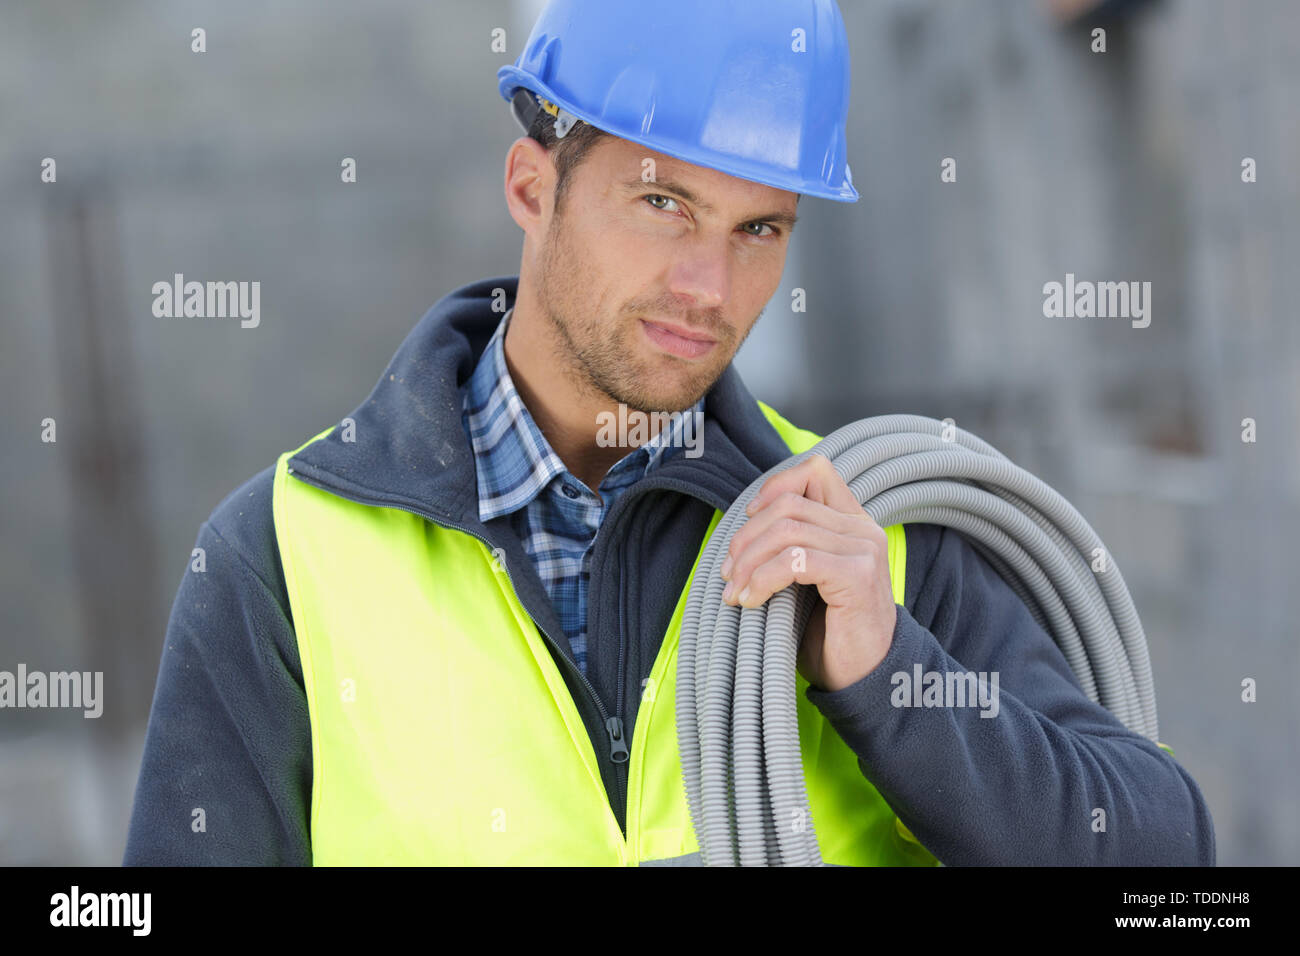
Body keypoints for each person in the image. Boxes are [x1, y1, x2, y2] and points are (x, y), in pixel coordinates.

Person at [124, 0, 1214, 865]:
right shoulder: (281, 561)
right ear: (532, 184)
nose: (708, 286)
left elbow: (1164, 854)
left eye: (758, 229)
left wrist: (887, 677)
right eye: (663, 205)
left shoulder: (869, 539)